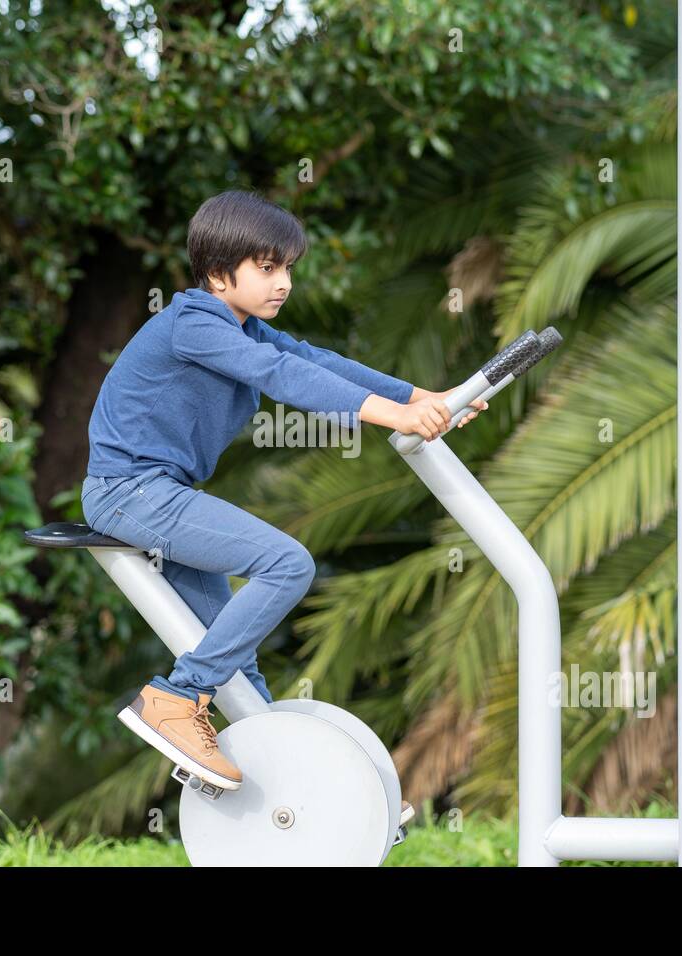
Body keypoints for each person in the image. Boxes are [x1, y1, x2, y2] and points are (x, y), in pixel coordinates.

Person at [81, 189, 485, 793]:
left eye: (288, 268)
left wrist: (419, 398)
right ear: (219, 274)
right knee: (285, 563)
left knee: (236, 659)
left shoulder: (242, 327)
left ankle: (292, 791)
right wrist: (392, 417)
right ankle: (176, 698)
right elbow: (283, 377)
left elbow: (314, 360)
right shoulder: (195, 324)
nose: (284, 282)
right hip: (128, 492)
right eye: (267, 268)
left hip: (160, 492)